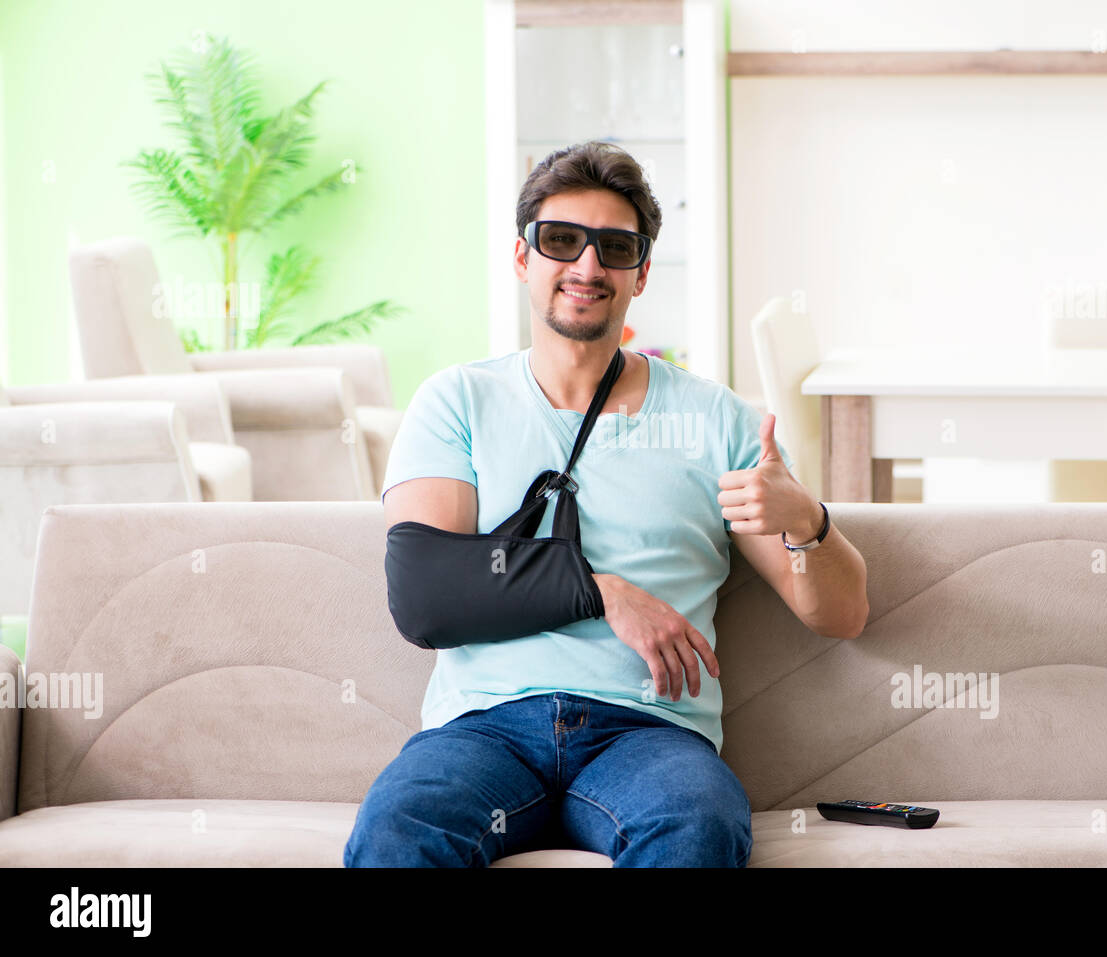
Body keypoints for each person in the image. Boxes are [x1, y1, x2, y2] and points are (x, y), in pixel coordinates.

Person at [344, 140, 869, 867]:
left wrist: (806, 520)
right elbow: (424, 593)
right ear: (524, 258)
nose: (587, 266)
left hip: (647, 734)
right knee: (398, 829)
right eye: (562, 241)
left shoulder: (717, 421)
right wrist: (601, 592)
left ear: (642, 272)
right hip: (484, 730)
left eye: (614, 248)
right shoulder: (457, 401)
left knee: (697, 827)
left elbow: (839, 616)